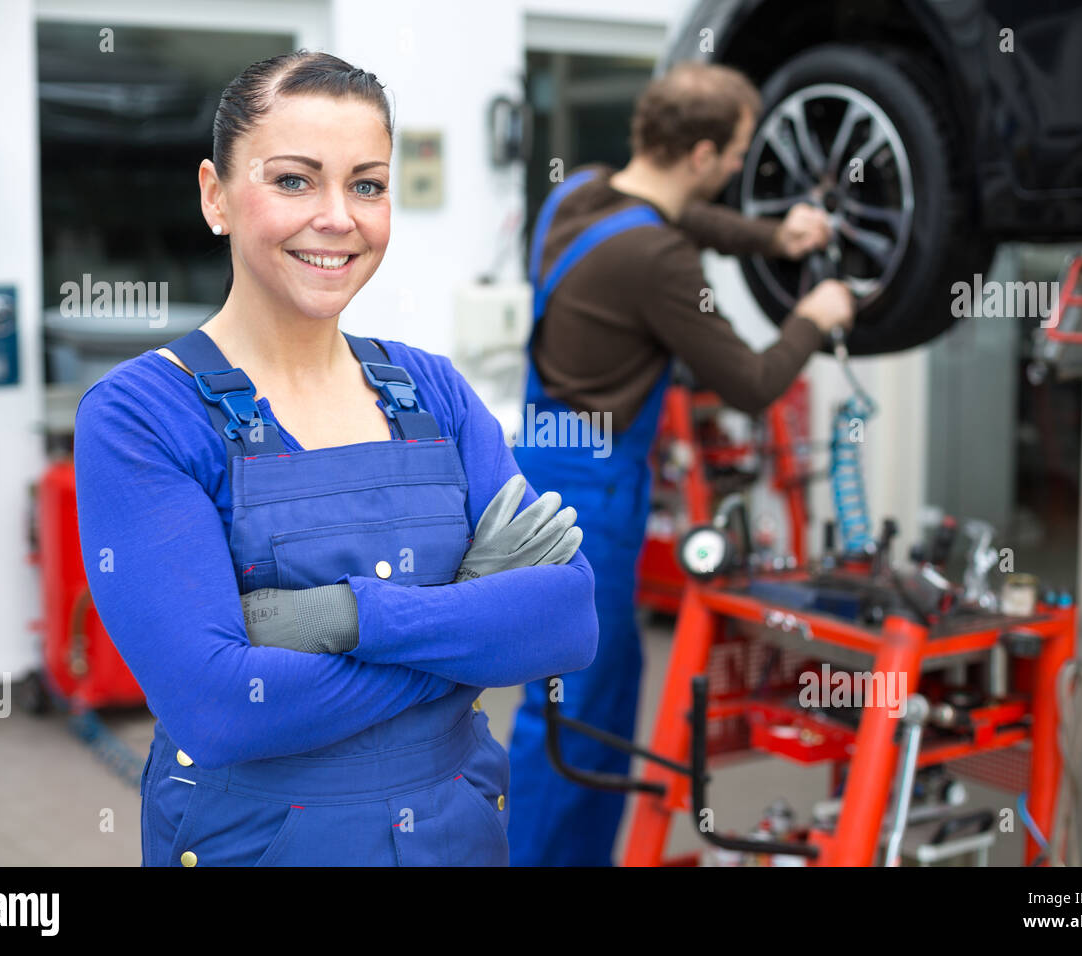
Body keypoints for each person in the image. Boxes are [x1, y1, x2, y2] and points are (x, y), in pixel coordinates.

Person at [74, 51, 597, 867]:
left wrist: (342, 619)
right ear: (215, 196)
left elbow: (567, 620)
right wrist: (468, 637)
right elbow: (221, 707)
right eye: (292, 180)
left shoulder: (435, 392)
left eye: (366, 183)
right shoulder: (141, 416)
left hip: (457, 837)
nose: (337, 217)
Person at [506, 62, 856, 866]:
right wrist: (812, 315)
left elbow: (689, 222)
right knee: (579, 707)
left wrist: (774, 236)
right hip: (592, 496)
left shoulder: (580, 194)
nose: (738, 168)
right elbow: (754, 382)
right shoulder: (661, 263)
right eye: (733, 154)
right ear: (701, 153)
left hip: (540, 467)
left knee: (577, 690)